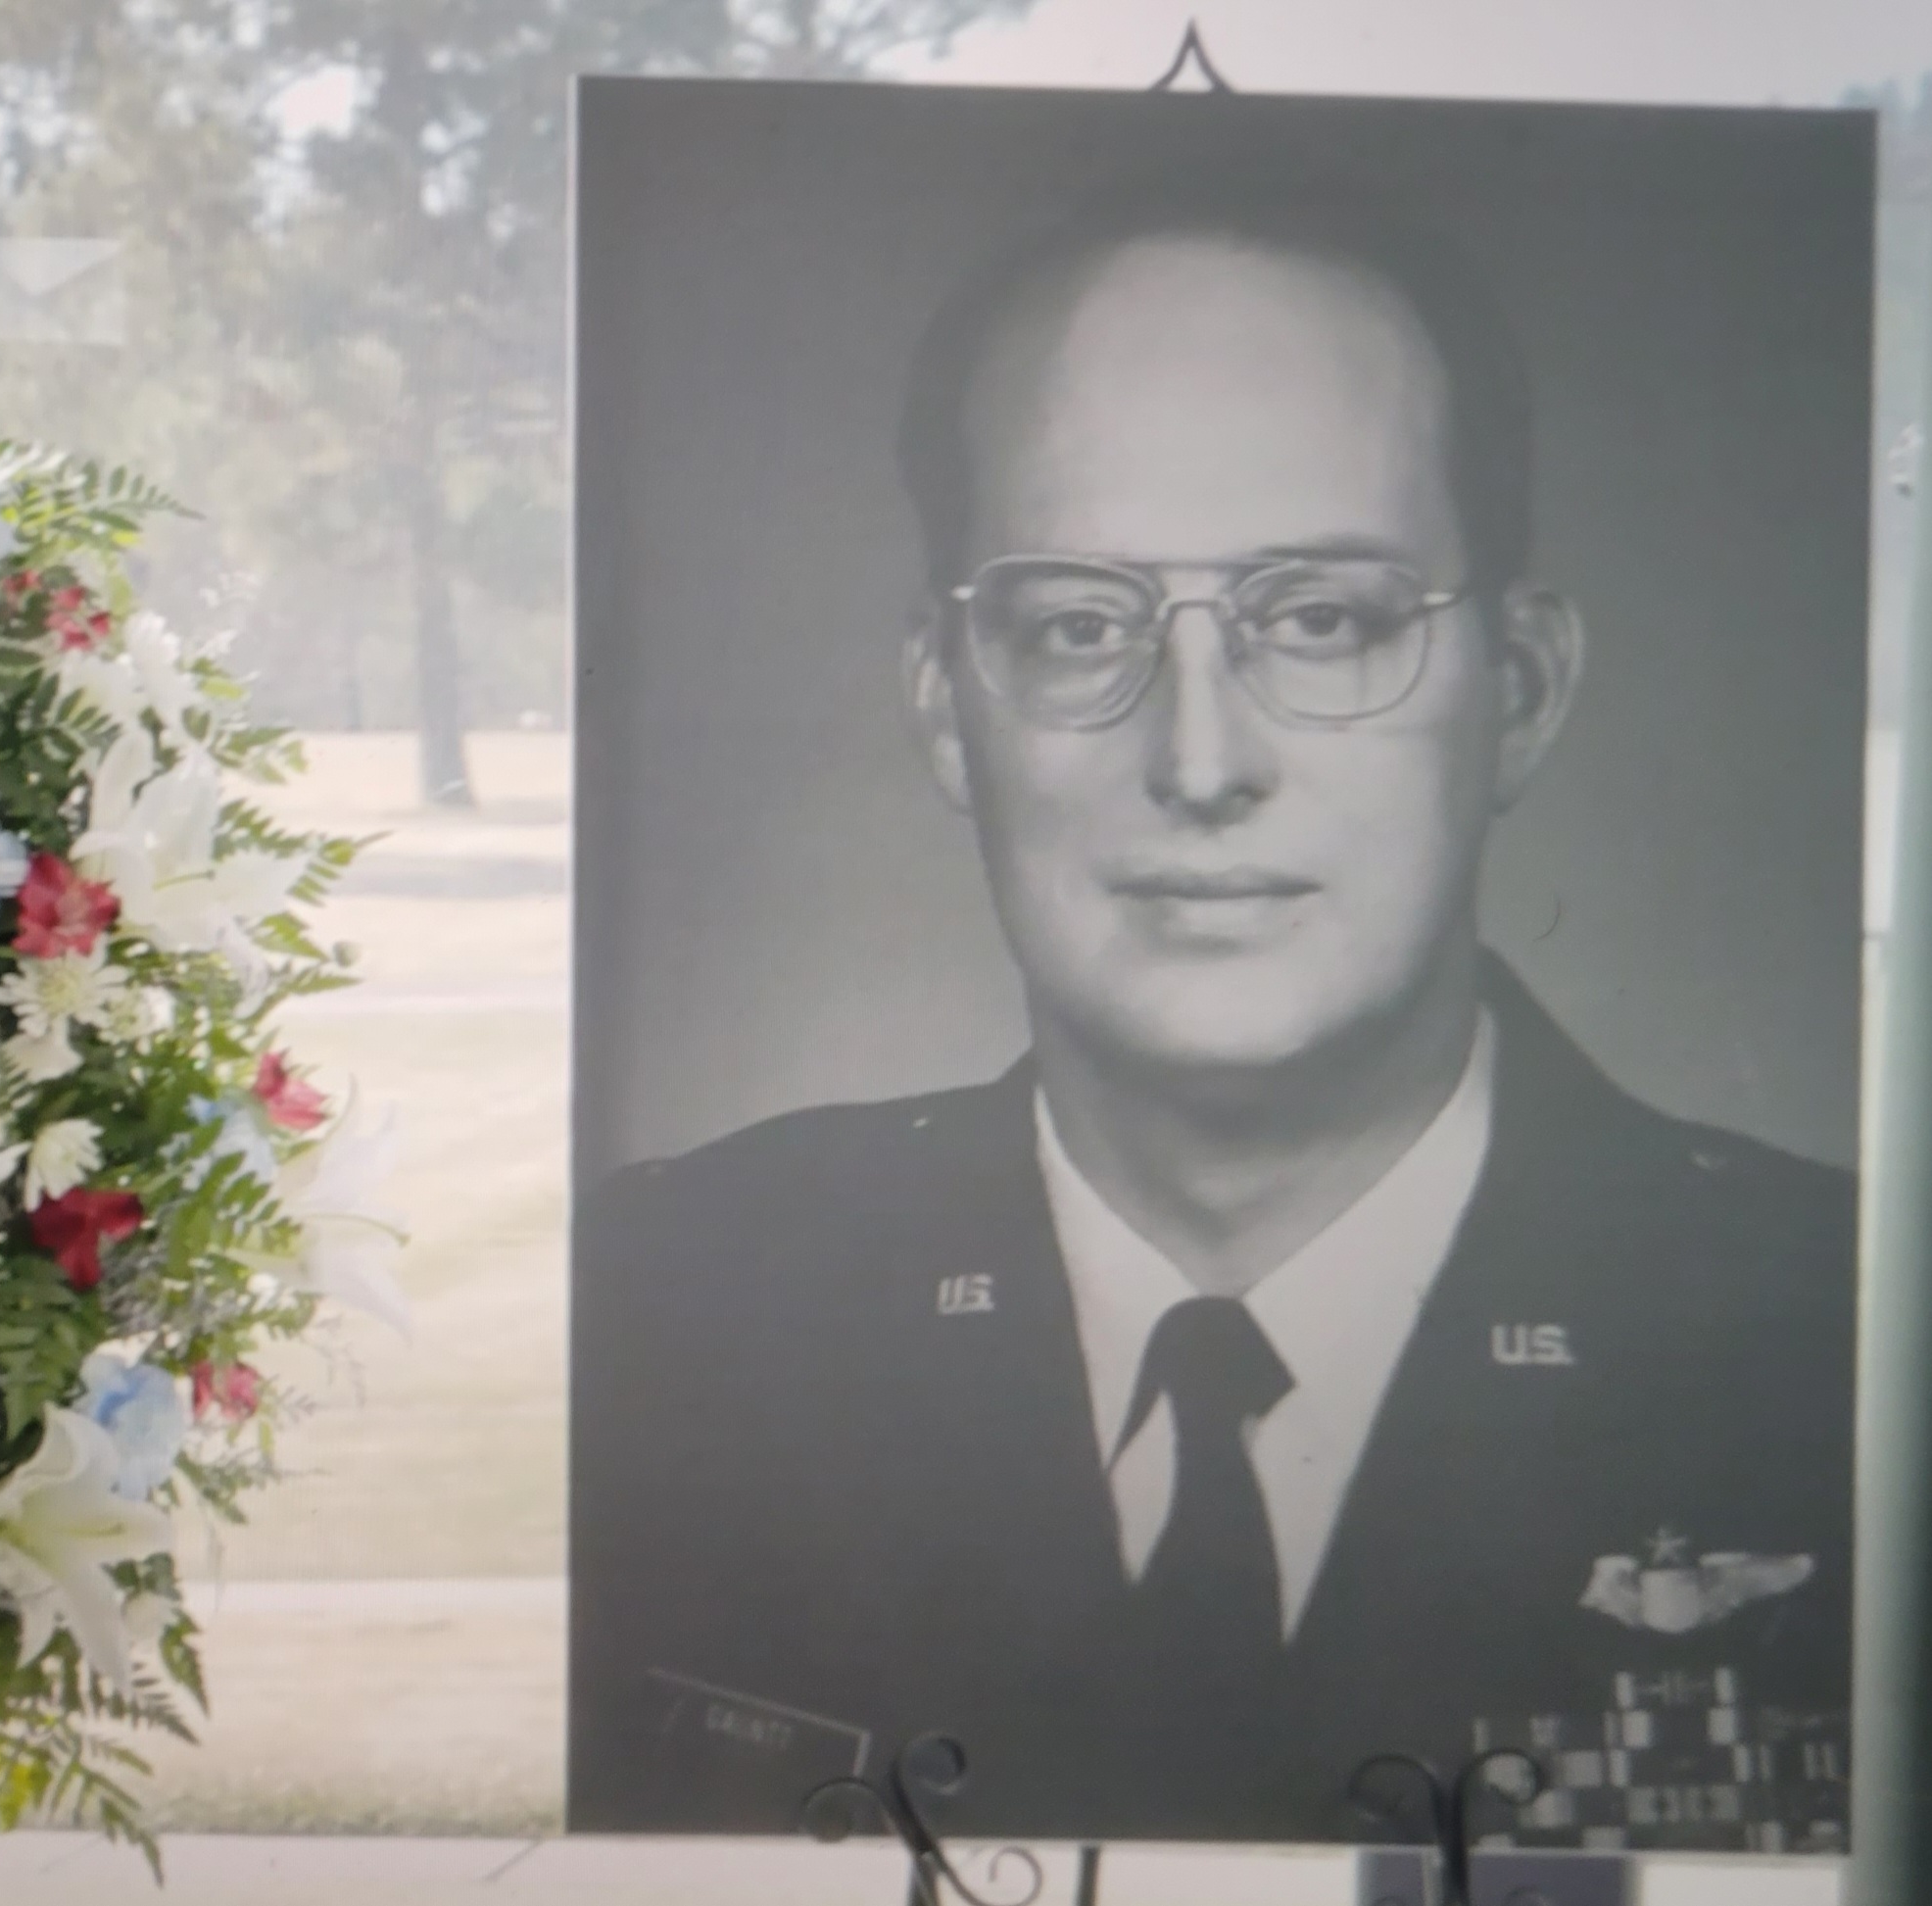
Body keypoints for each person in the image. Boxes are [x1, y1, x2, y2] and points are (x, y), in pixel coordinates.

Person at [566, 177, 1857, 1850]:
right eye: (1077, 623)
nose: (1198, 760)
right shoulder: (671, 1318)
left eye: (1322, 619)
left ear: (1519, 692)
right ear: (946, 712)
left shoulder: (1845, 1336)